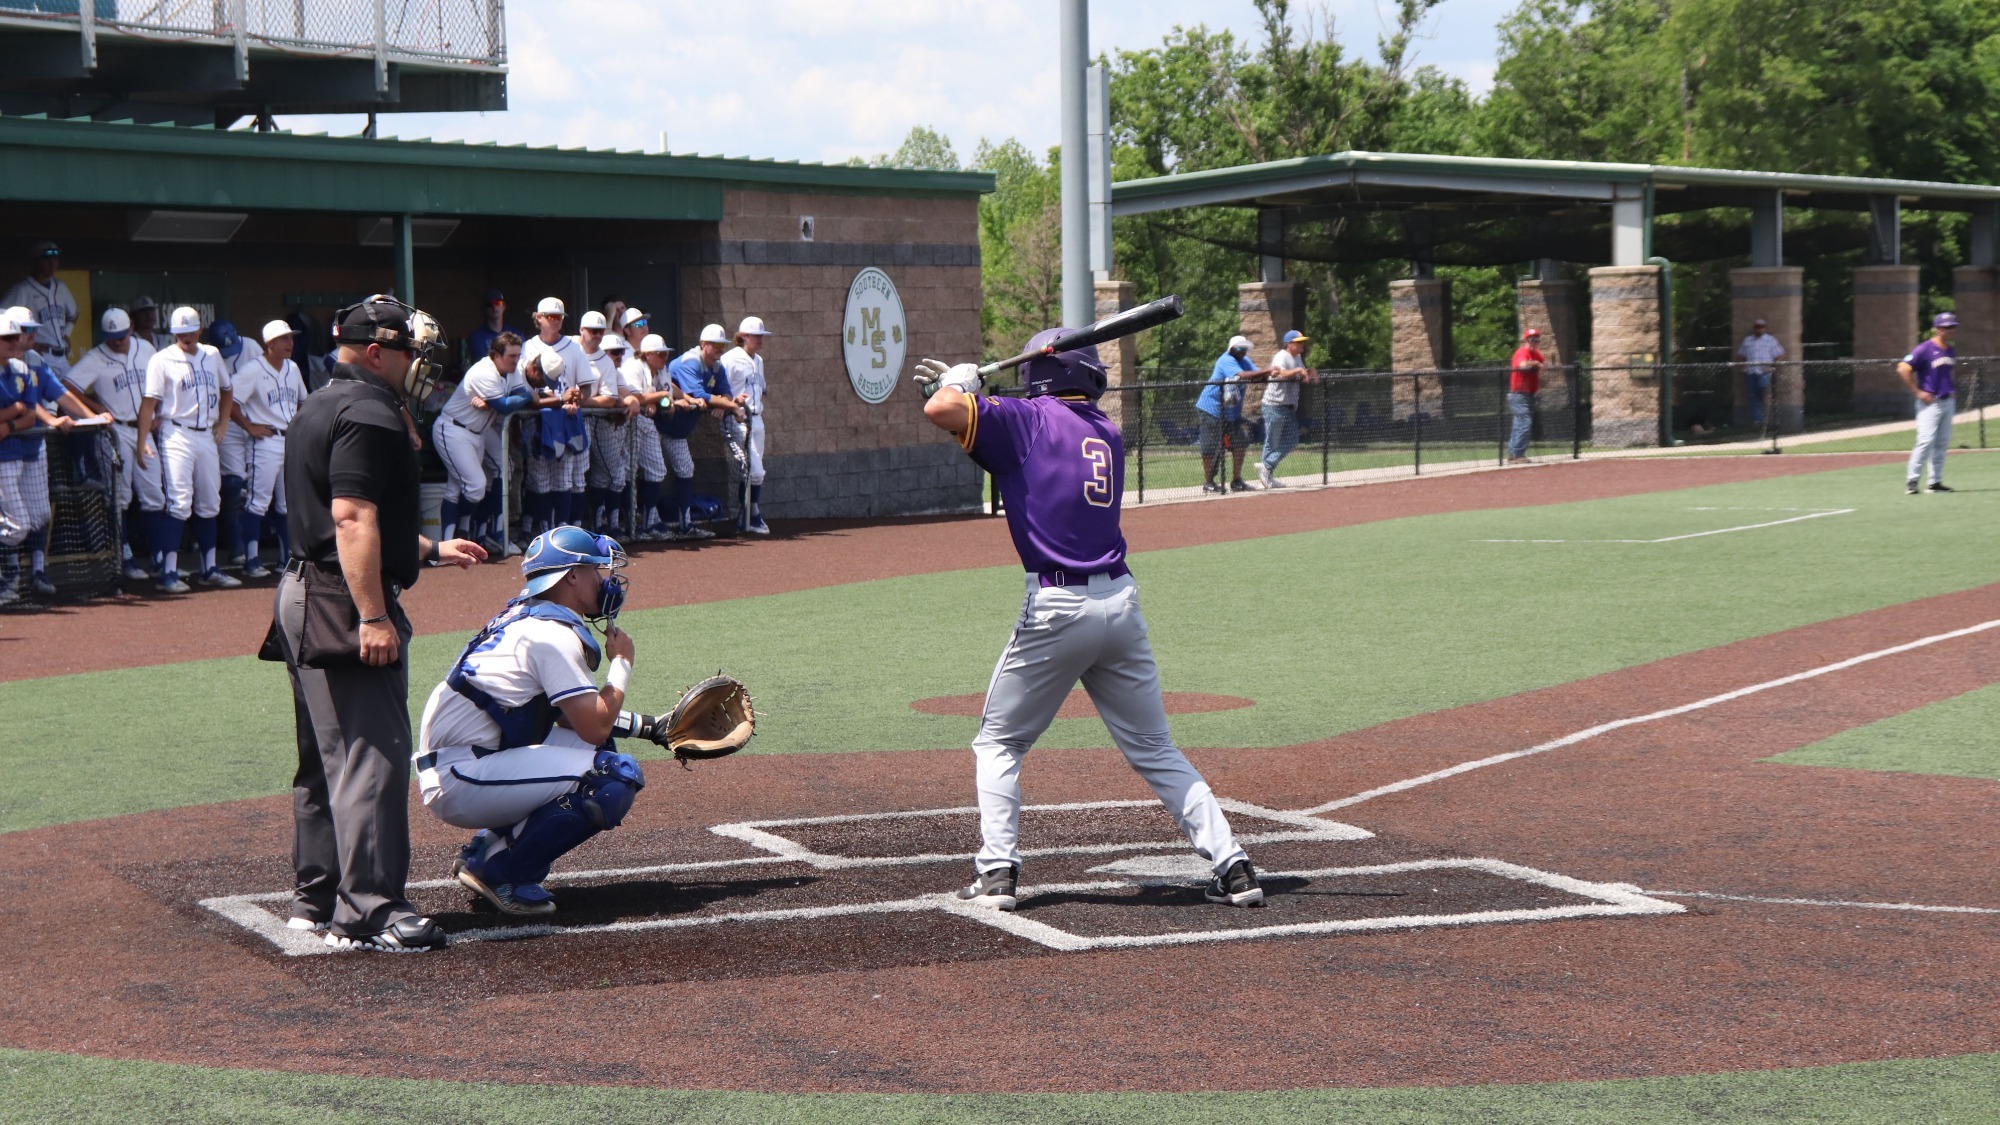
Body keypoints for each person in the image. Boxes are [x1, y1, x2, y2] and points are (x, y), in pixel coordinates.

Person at [911, 330, 1265, 912]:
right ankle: (1234, 866)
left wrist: (961, 384)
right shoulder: (1105, 431)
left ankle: (997, 871)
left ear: (1040, 374)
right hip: (1121, 605)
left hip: (1056, 607)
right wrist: (974, 396)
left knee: (998, 742)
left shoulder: (1028, 419)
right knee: (1156, 747)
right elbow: (988, 437)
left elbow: (942, 410)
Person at [273, 294, 484, 953]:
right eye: (408, 353)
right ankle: (369, 909)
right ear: (374, 352)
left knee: (323, 759)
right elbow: (351, 518)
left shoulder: (319, 399)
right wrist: (372, 614)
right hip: (343, 598)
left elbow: (347, 518)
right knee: (371, 756)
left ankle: (316, 896)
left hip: (305, 589)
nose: (416, 366)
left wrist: (423, 549)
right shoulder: (371, 410)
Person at [415, 526, 655, 916]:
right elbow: (592, 722)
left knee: (596, 750)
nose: (607, 581)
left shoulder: (525, 618)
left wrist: (651, 727)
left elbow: (569, 717)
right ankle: (502, 871)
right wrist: (622, 664)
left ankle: (487, 848)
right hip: (463, 775)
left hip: (465, 763)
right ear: (572, 576)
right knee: (612, 779)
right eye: (598, 571)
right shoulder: (551, 636)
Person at [0, 312, 109, 601]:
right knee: (16, 522)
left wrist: (92, 418)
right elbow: (28, 408)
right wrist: (32, 417)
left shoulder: (32, 363)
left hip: (31, 447)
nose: (28, 337)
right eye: (19, 333)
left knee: (38, 516)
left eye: (28, 331)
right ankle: (9, 577)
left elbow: (55, 397)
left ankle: (36, 572)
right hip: (7, 453)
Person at [135, 307, 238, 593]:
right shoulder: (162, 359)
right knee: (179, 502)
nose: (186, 336)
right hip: (175, 433)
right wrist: (143, 440)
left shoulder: (212, 355)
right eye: (180, 332)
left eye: (190, 331)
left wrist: (225, 421)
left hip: (206, 434)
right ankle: (168, 573)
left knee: (209, 502)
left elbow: (227, 389)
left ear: (200, 329)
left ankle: (209, 568)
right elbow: (148, 404)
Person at [68, 308, 167, 580]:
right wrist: (95, 409)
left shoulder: (145, 349)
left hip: (144, 432)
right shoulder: (96, 357)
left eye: (121, 336)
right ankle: (124, 557)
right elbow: (67, 386)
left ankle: (159, 557)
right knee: (120, 497)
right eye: (112, 337)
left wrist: (157, 413)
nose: (116, 341)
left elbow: (163, 383)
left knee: (154, 496)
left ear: (131, 329)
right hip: (117, 431)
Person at [434, 332, 533, 554]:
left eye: (518, 355)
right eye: (511, 356)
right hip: (454, 429)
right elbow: (506, 406)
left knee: (485, 477)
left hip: (479, 431)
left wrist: (510, 399)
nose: (516, 360)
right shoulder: (483, 371)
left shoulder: (511, 370)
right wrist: (524, 397)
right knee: (475, 487)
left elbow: (514, 396)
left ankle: (479, 534)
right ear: (496, 355)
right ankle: (456, 536)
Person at [230, 321, 310, 579]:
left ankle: (287, 558)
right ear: (270, 343)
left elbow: (303, 402)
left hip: (290, 440)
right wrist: (249, 426)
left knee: (288, 504)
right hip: (265, 441)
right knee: (258, 502)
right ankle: (251, 559)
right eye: (284, 339)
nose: (290, 343)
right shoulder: (252, 370)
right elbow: (230, 401)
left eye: (291, 338)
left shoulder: (293, 367)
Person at [660, 323, 746, 540]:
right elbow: (697, 393)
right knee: (640, 473)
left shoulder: (716, 366)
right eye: (715, 344)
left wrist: (723, 404)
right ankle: (632, 525)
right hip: (653, 423)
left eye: (722, 345)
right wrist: (732, 406)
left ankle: (684, 524)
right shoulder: (690, 361)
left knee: (685, 469)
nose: (720, 349)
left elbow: (725, 393)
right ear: (703, 345)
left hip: (676, 430)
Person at [520, 298, 594, 537]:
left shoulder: (574, 347)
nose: (555, 320)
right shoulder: (527, 347)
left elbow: (586, 388)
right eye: (550, 316)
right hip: (537, 420)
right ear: (538, 318)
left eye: (559, 316)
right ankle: (542, 531)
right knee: (539, 480)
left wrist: (575, 400)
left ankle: (562, 532)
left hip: (566, 420)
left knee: (564, 480)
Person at [626, 333, 684, 539]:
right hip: (626, 422)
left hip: (645, 422)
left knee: (656, 470)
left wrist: (661, 403)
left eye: (665, 354)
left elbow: (666, 400)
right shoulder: (634, 366)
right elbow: (631, 396)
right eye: (660, 354)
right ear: (647, 355)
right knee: (620, 475)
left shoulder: (661, 370)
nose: (664, 357)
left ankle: (648, 521)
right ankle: (624, 524)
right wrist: (658, 398)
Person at [579, 313, 631, 534]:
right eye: (593, 330)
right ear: (582, 330)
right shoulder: (571, 348)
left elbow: (619, 397)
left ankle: (605, 523)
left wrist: (585, 401)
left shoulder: (607, 363)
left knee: (610, 474)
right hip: (572, 419)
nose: (598, 335)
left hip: (600, 421)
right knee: (570, 479)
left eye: (601, 331)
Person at [721, 316, 773, 533]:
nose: (759, 339)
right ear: (743, 336)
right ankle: (753, 514)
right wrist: (725, 403)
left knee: (751, 471)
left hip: (757, 418)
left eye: (761, 336)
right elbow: (719, 384)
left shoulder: (758, 360)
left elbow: (761, 387)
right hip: (738, 418)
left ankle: (745, 517)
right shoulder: (730, 358)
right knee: (756, 471)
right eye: (755, 336)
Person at [1197, 335, 1267, 494]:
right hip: (1212, 409)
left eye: (1245, 348)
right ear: (1232, 348)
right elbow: (1243, 375)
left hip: (1231, 413)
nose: (1243, 351)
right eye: (1240, 348)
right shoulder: (1226, 360)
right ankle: (1208, 482)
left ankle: (1236, 481)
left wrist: (1272, 374)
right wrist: (1268, 370)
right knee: (1211, 446)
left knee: (1240, 442)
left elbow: (1256, 375)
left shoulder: (1244, 360)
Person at [1900, 312, 1959, 495]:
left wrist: (1951, 388)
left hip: (1946, 400)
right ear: (1938, 328)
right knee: (1925, 441)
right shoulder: (1924, 349)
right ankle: (1912, 480)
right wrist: (1917, 391)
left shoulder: (1950, 349)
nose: (1951, 330)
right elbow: (1903, 368)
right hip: (1930, 402)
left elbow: (1946, 373)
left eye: (1952, 326)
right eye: (1947, 327)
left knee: (1941, 442)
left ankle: (1934, 482)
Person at [3, 242, 78, 378]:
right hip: (41, 356)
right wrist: (25, 343)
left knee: (73, 391)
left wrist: (66, 334)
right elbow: (2, 317)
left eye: (55, 259)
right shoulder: (22, 290)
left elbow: (73, 314)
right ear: (36, 261)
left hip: (62, 357)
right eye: (46, 259)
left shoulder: (61, 287)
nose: (52, 263)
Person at [210, 322, 251, 570]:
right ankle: (237, 549)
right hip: (228, 423)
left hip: (257, 420)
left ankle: (256, 548)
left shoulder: (253, 347)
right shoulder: (210, 356)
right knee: (234, 485)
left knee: (258, 489)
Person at [1256, 329, 1315, 488]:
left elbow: (1301, 375)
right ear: (1289, 344)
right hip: (1274, 405)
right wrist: (1297, 371)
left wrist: (1308, 374)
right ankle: (1267, 475)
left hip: (1289, 405)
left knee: (1292, 439)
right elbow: (1280, 374)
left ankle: (1266, 468)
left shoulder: (1297, 357)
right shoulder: (1281, 356)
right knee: (1272, 441)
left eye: (1303, 341)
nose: (1303, 344)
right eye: (1299, 342)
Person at [1507, 327, 1546, 465]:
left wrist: (1540, 363)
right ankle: (1517, 454)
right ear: (1525, 340)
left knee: (1519, 424)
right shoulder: (1522, 352)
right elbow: (1523, 365)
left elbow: (1545, 364)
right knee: (1524, 422)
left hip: (1530, 394)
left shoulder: (1537, 353)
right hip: (1518, 395)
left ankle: (1514, 454)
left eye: (1536, 340)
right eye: (1531, 339)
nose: (1534, 342)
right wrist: (1535, 363)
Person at [1736, 318, 1784, 428]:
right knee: (1752, 396)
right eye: (1757, 327)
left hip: (1764, 371)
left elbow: (1780, 354)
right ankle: (1757, 420)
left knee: (1762, 388)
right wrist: (1743, 365)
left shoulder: (1771, 340)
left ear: (1765, 328)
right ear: (1754, 328)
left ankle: (1767, 417)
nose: (1759, 329)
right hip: (1751, 371)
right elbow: (1740, 355)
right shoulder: (1747, 340)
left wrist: (1773, 366)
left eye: (1761, 327)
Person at [463, 290, 519, 372]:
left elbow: (522, 362)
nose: (494, 307)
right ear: (483, 309)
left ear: (504, 306)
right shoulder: (476, 337)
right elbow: (483, 367)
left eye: (497, 303)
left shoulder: (516, 334)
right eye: (489, 305)